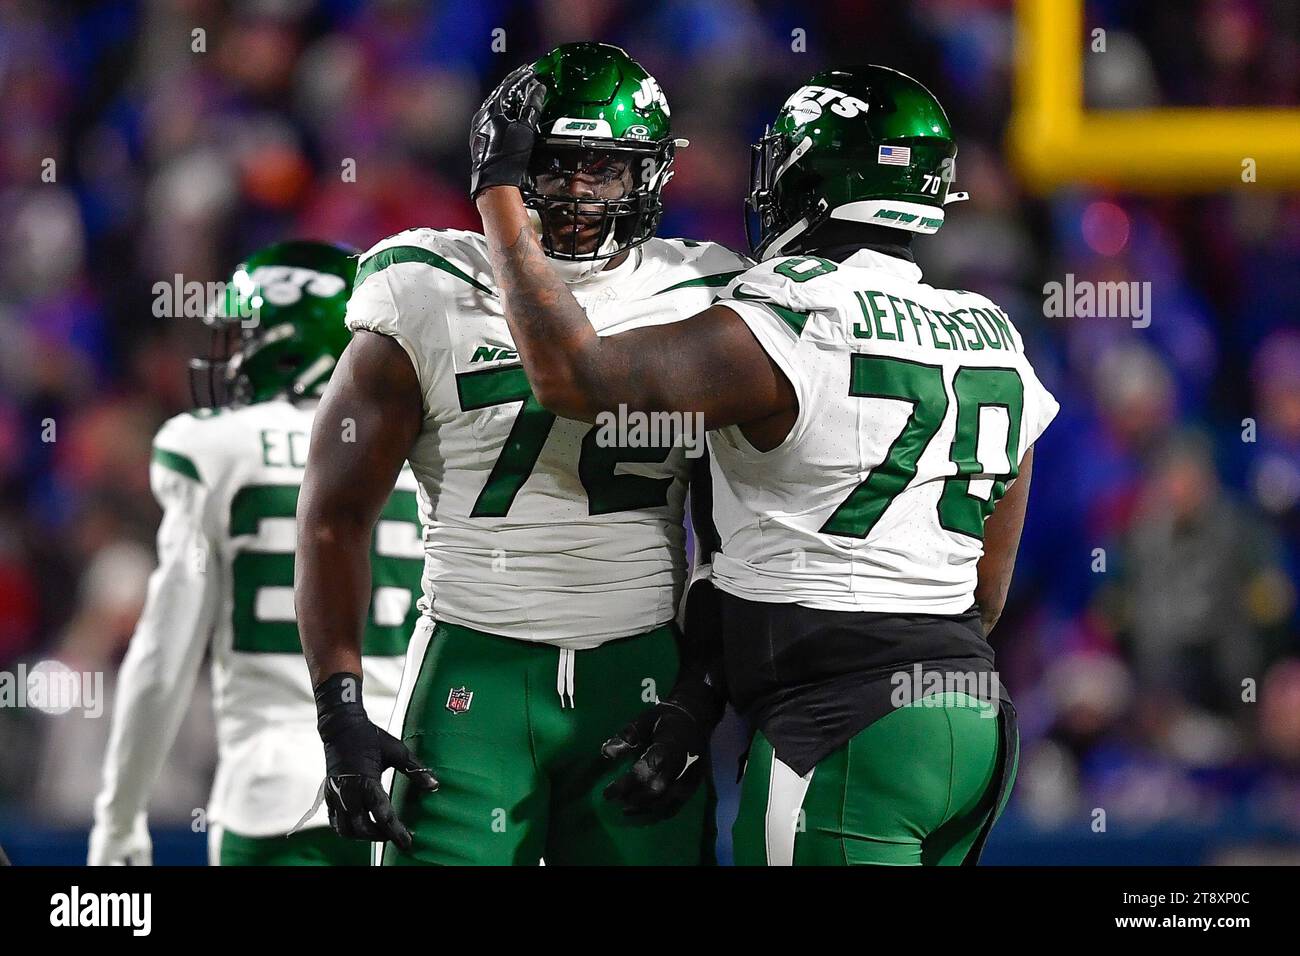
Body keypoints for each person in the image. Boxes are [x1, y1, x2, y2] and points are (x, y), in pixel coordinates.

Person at [473, 65, 1059, 865]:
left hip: (843, 728)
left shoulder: (793, 308)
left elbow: (574, 380)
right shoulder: (991, 328)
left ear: (807, 178)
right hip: (973, 716)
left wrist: (500, 193)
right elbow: (987, 587)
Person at [295, 42, 751, 865]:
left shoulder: (707, 293)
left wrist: (698, 696)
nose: (578, 192)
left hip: (638, 664)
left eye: (604, 169)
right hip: (474, 665)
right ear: (504, 168)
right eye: (554, 165)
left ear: (647, 177)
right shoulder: (427, 284)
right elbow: (334, 516)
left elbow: (734, 538)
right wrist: (340, 711)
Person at [89, 241, 424, 865]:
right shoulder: (421, 445)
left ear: (287, 342)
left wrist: (120, 816)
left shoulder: (216, 447)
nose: (236, 355)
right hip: (411, 787)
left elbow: (164, 656)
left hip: (275, 799)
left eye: (247, 335)